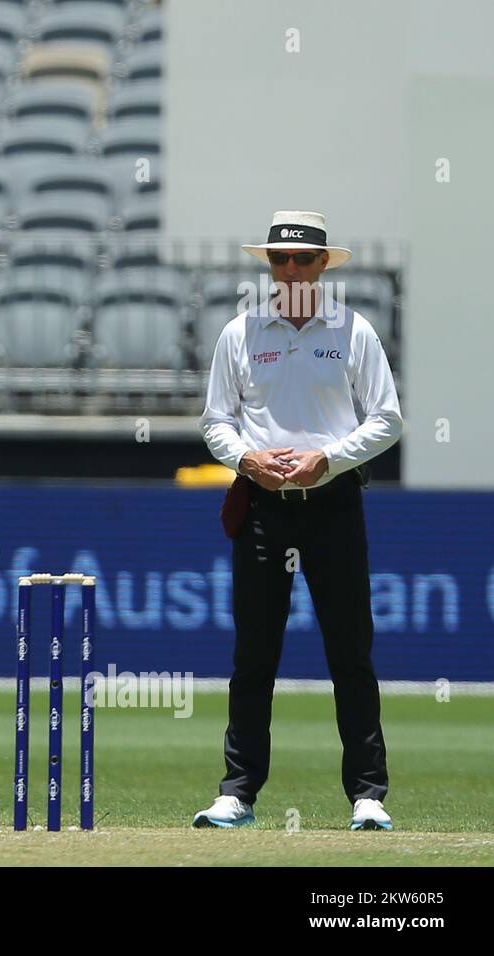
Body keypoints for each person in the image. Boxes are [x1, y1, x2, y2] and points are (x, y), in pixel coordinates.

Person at [196, 210, 403, 830]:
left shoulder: (353, 330)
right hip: (262, 509)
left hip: (333, 507)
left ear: (323, 265)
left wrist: (328, 459)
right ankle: (239, 792)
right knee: (254, 656)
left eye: (302, 259)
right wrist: (248, 459)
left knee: (351, 654)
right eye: (279, 259)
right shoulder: (240, 332)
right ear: (268, 265)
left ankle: (368, 795)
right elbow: (216, 422)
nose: (290, 269)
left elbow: (387, 420)